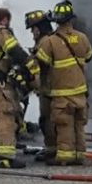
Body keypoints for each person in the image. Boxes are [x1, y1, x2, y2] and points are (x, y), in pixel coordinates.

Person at [35, 0, 92, 166]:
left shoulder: (50, 41)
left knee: (64, 125)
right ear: (71, 19)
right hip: (80, 92)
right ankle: (79, 156)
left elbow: (42, 63)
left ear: (56, 20)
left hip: (62, 93)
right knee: (79, 125)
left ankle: (65, 158)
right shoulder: (82, 38)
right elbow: (89, 57)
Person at [0, 7, 38, 169]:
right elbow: (15, 51)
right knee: (6, 116)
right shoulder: (1, 33)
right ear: (4, 19)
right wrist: (31, 65)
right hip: (0, 84)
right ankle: (5, 157)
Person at [24, 9, 56, 162]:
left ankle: (52, 150)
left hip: (48, 89)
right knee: (47, 120)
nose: (32, 33)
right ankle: (51, 148)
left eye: (33, 29)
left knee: (48, 120)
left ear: (40, 28)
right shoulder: (48, 40)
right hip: (48, 88)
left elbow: (39, 67)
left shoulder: (45, 42)